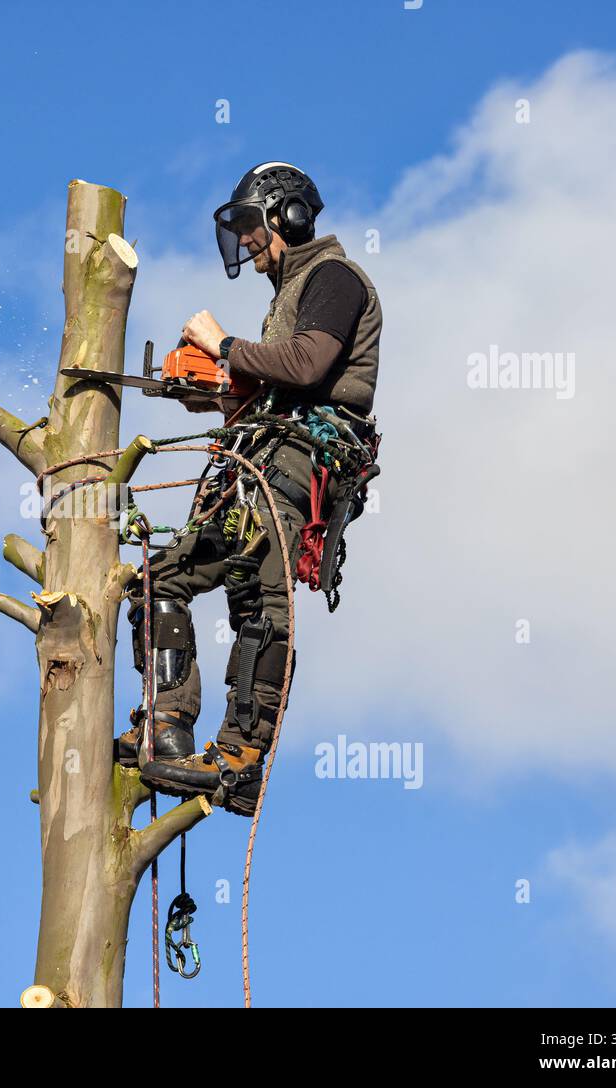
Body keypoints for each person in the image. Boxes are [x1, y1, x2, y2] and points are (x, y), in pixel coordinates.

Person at [119, 161, 383, 816]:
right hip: (262, 459)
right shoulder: (286, 298)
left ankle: (240, 758)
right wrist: (217, 392)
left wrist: (226, 345)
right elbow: (281, 386)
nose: (246, 243)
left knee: (260, 605)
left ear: (288, 217)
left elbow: (307, 364)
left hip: (295, 468)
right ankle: (169, 726)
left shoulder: (334, 278)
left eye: (251, 227)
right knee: (158, 579)